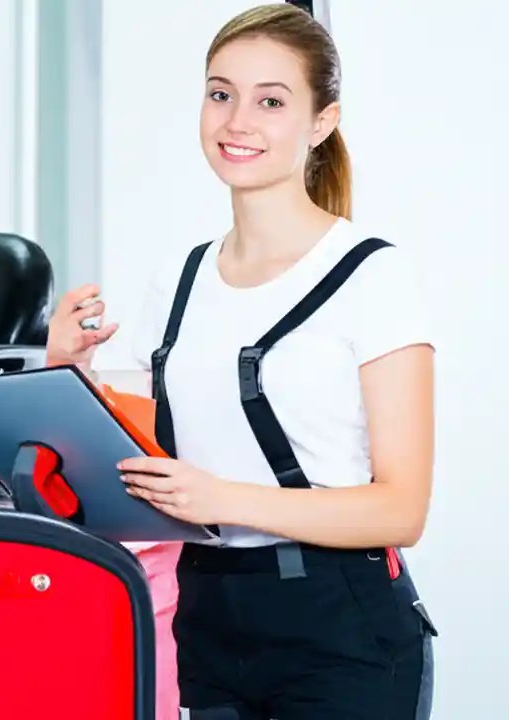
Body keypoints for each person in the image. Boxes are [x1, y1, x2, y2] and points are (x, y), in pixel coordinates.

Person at [45, 4, 437, 719]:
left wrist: (221, 499)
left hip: (340, 632)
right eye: (220, 93)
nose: (236, 121)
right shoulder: (180, 279)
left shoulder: (373, 277)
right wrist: (65, 370)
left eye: (271, 101)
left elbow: (401, 508)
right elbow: (128, 461)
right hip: (208, 620)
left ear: (322, 122)